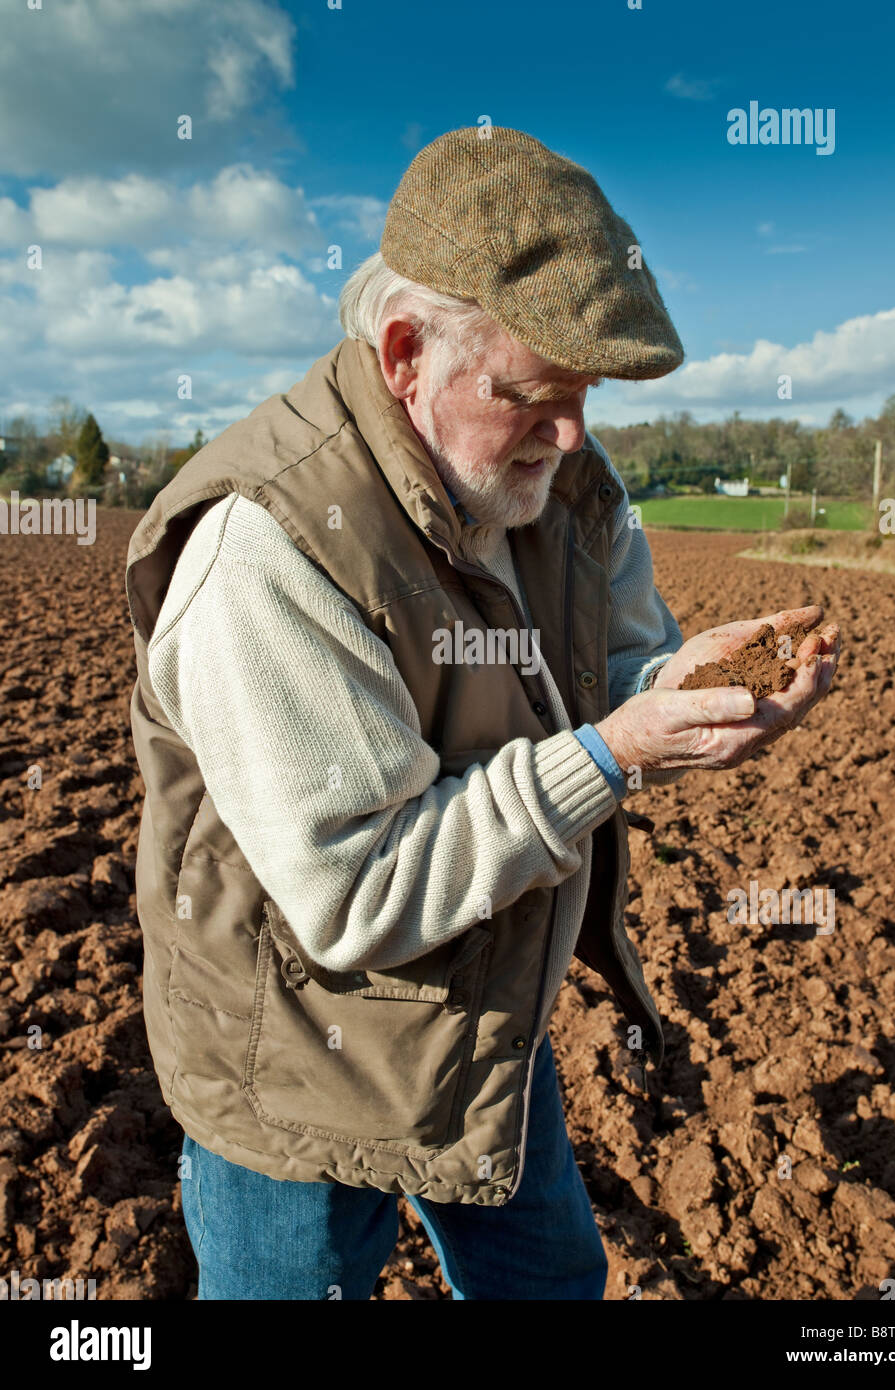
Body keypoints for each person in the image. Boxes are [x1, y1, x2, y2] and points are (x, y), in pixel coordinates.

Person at [124, 126, 840, 1300]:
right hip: (298, 1067)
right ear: (405, 352)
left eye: (584, 396)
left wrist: (686, 695)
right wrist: (611, 758)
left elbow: (613, 675)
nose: (569, 437)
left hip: (485, 1025)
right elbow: (356, 889)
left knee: (553, 1286)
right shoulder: (271, 547)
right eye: (534, 396)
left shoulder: (557, 486)